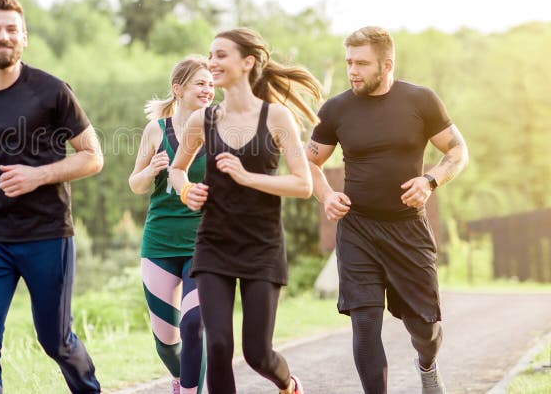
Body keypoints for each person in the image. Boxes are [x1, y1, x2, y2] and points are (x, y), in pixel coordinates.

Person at [0, 0, 103, 394]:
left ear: (24, 38)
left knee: (56, 340)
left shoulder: (52, 91)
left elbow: (93, 157)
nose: (3, 36)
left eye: (12, 29)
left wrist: (39, 176)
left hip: (46, 235)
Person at [306, 26, 469, 394]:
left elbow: (458, 151)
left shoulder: (421, 101)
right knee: (364, 322)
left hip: (407, 228)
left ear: (387, 63)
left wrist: (430, 181)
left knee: (424, 329)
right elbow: (309, 164)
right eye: (349, 62)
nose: (353, 71)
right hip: (358, 229)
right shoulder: (335, 109)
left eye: (361, 63)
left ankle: (426, 364)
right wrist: (327, 196)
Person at [169, 28, 321, 394]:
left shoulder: (276, 118)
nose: (212, 62)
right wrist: (186, 189)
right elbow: (176, 169)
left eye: (221, 55)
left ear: (247, 62)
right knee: (218, 345)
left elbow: (303, 185)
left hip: (262, 246)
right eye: (210, 54)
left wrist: (247, 177)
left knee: (258, 354)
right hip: (214, 244)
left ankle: (289, 385)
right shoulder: (202, 120)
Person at [129, 56, 214, 394]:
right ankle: (183, 379)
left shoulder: (218, 127)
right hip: (160, 241)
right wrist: (151, 171)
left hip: (204, 242)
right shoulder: (156, 130)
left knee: (193, 324)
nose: (208, 89)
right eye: (200, 83)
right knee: (166, 341)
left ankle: (191, 390)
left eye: (211, 83)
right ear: (178, 89)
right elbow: (135, 183)